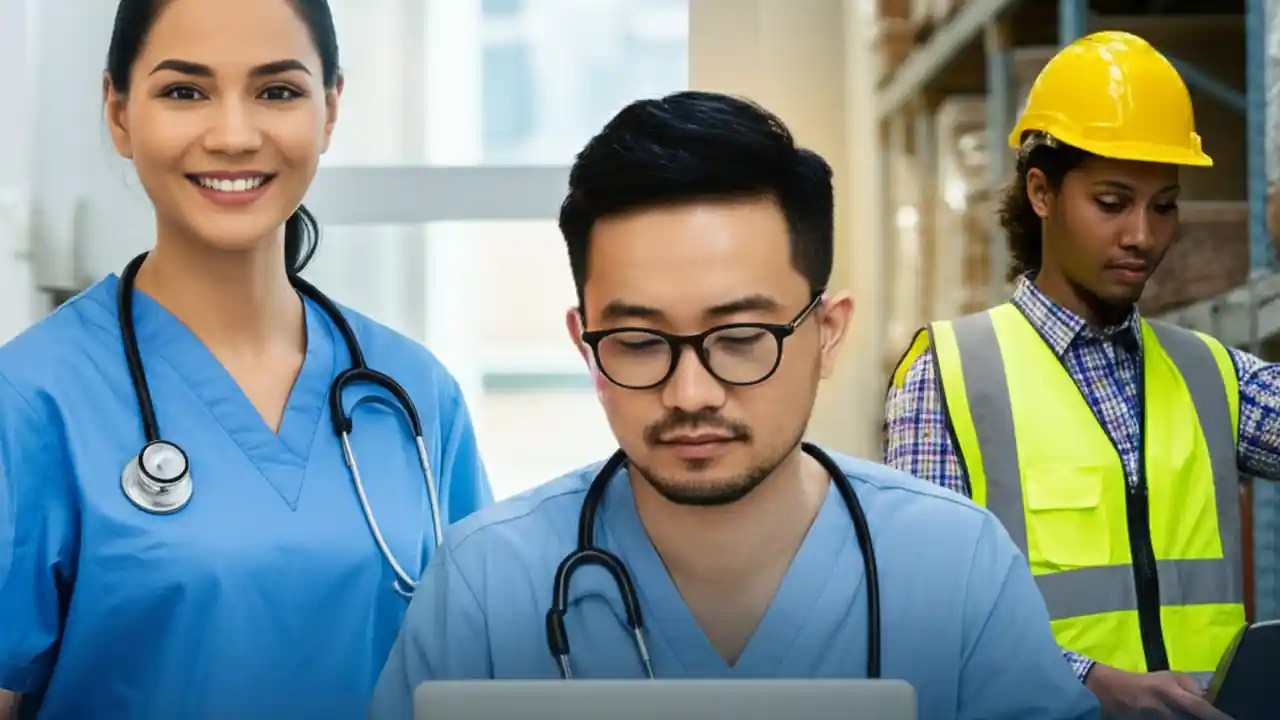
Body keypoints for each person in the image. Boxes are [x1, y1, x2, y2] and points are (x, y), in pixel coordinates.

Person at [365, 90, 1100, 720]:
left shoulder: (956, 568)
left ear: (827, 334)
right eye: (638, 340)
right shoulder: (487, 585)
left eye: (742, 337)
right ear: (586, 346)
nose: (691, 394)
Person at [0, 1, 492, 718]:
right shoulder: (32, 397)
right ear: (118, 111)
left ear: (329, 109)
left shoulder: (414, 394)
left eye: (278, 91)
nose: (233, 135)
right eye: (184, 91)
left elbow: (479, 673)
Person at [884, 30, 1270, 720]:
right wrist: (1089, 683)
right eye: (1113, 202)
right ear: (1041, 192)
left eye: (1164, 205)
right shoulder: (948, 377)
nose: (1143, 237)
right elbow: (924, 622)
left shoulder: (1211, 374)